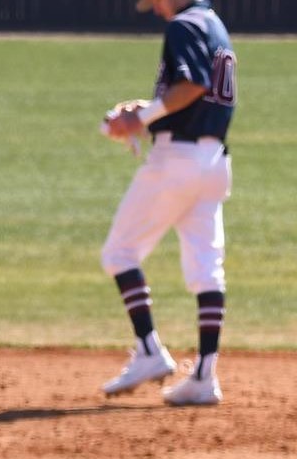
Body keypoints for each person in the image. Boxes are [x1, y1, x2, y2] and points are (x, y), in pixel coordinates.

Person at [100, 0, 236, 405]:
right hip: (213, 162)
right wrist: (148, 110)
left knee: (119, 252)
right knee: (207, 269)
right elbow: (197, 97)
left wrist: (139, 120)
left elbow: (191, 86)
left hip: (177, 161)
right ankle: (204, 376)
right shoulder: (214, 26)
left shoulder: (183, 25)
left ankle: (148, 350)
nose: (154, 7)